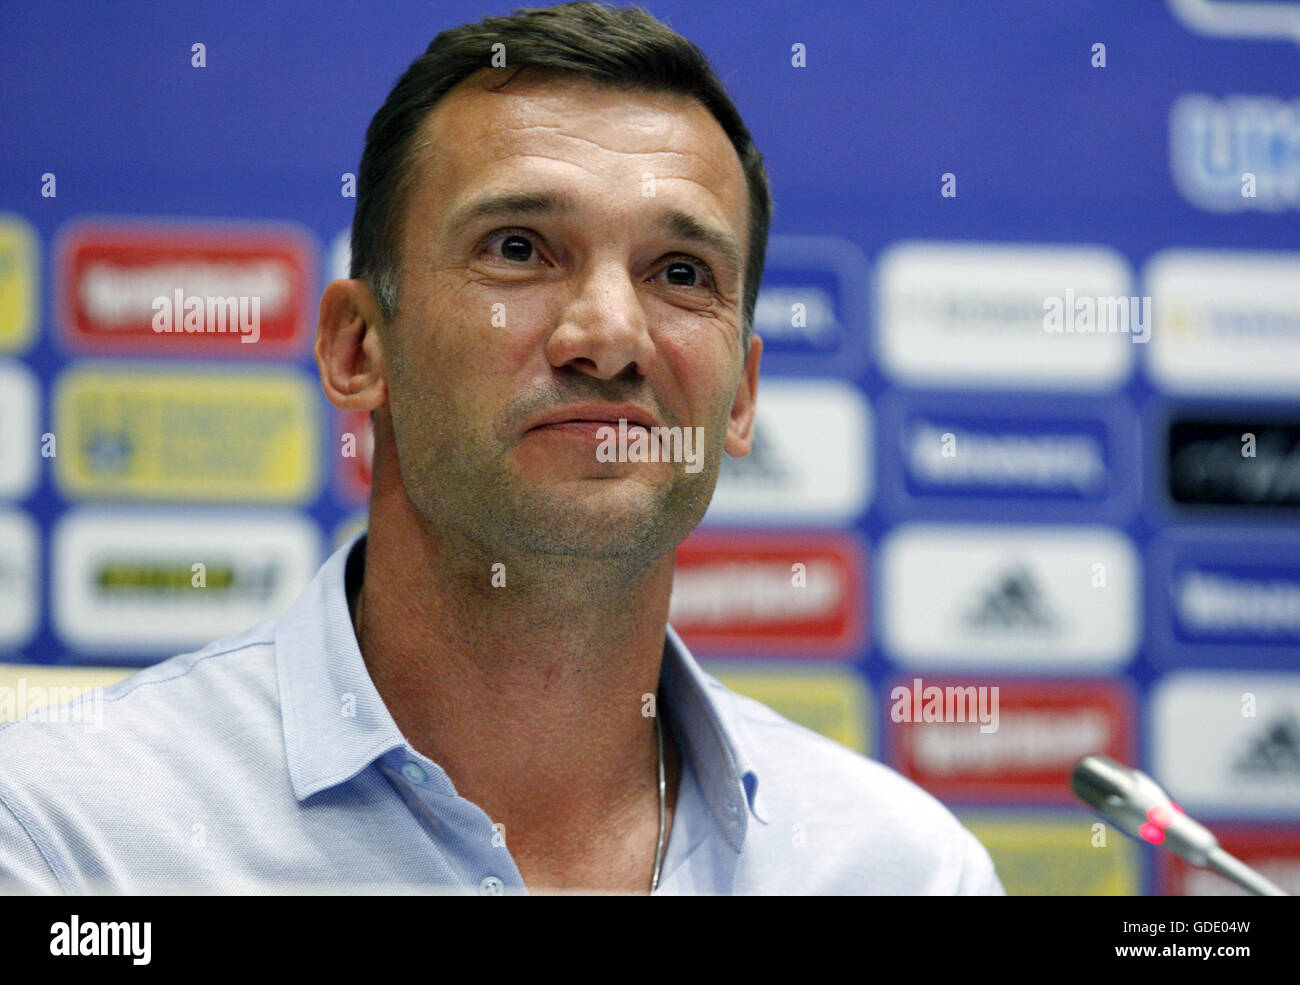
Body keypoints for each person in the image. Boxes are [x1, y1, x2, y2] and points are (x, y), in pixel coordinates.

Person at [0, 1, 1003, 895]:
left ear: (738, 398)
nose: (609, 336)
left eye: (680, 271)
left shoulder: (903, 868)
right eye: (518, 248)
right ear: (359, 347)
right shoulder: (68, 838)